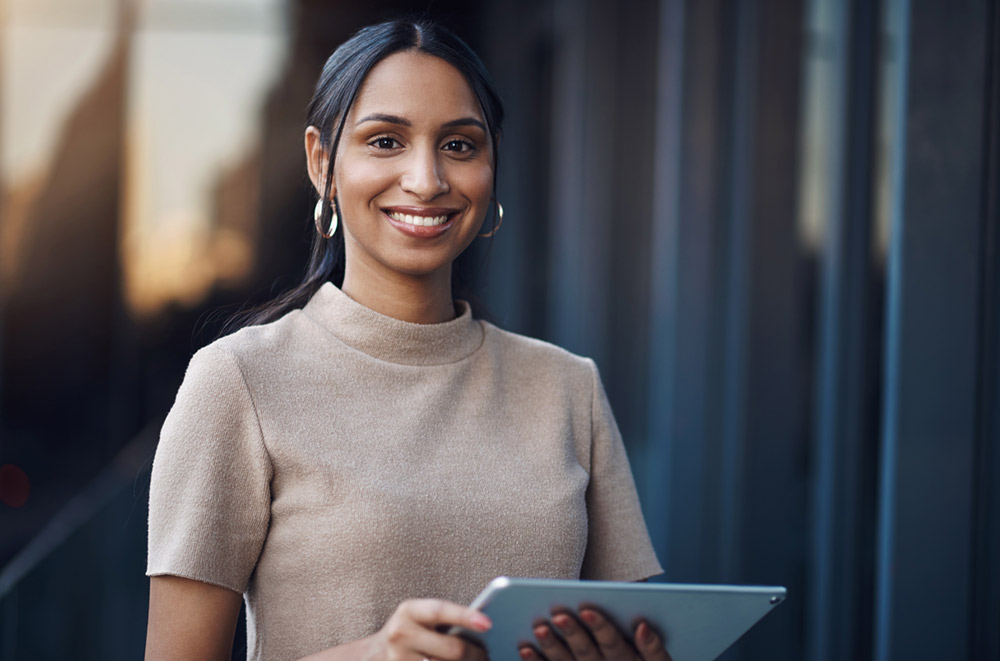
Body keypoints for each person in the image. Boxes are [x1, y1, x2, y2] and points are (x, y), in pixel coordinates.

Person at [144, 19, 667, 661]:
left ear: (491, 162)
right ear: (322, 163)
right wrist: (372, 656)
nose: (426, 180)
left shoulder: (568, 387)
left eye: (460, 145)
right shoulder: (239, 381)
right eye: (386, 141)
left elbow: (640, 633)